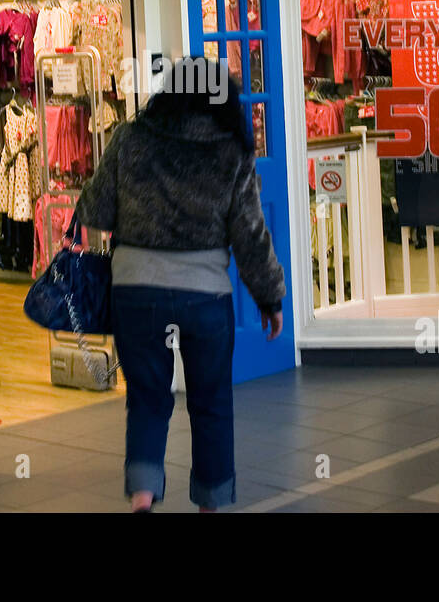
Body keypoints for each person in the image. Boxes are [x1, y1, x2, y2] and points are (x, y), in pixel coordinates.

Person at [75, 57, 286, 513]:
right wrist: (270, 297)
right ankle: (211, 504)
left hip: (135, 288)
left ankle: (143, 497)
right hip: (204, 292)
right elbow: (249, 233)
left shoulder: (129, 139)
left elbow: (93, 209)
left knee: (148, 397)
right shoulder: (232, 151)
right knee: (211, 402)